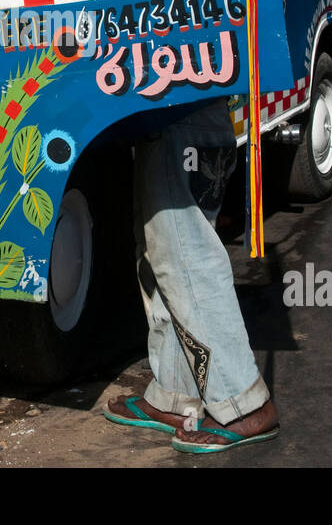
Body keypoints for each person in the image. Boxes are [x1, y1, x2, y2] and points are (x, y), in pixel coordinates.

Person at [105, 98, 279, 454]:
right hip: (191, 116)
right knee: (163, 262)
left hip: (178, 116)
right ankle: (176, 397)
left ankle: (244, 405)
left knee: (186, 263)